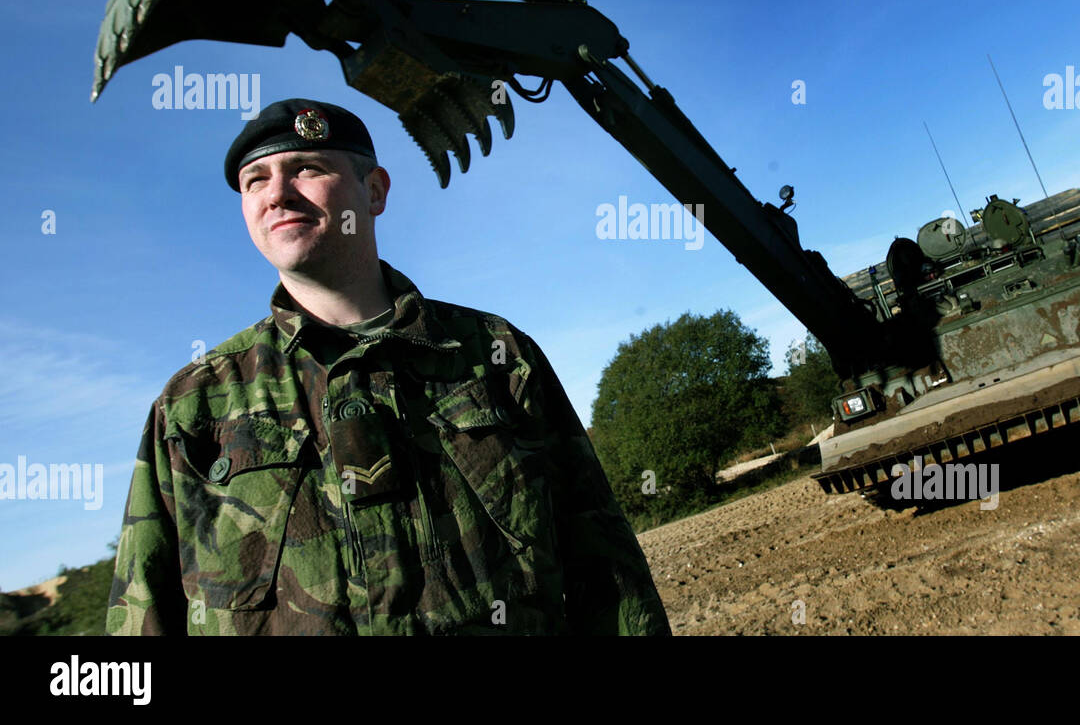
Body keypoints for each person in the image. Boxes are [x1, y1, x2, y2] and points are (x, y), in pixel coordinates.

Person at [106, 98, 671, 635]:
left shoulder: (494, 354)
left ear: (374, 191)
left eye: (305, 168)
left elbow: (605, 562)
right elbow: (143, 616)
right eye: (256, 181)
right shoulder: (194, 407)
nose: (276, 194)